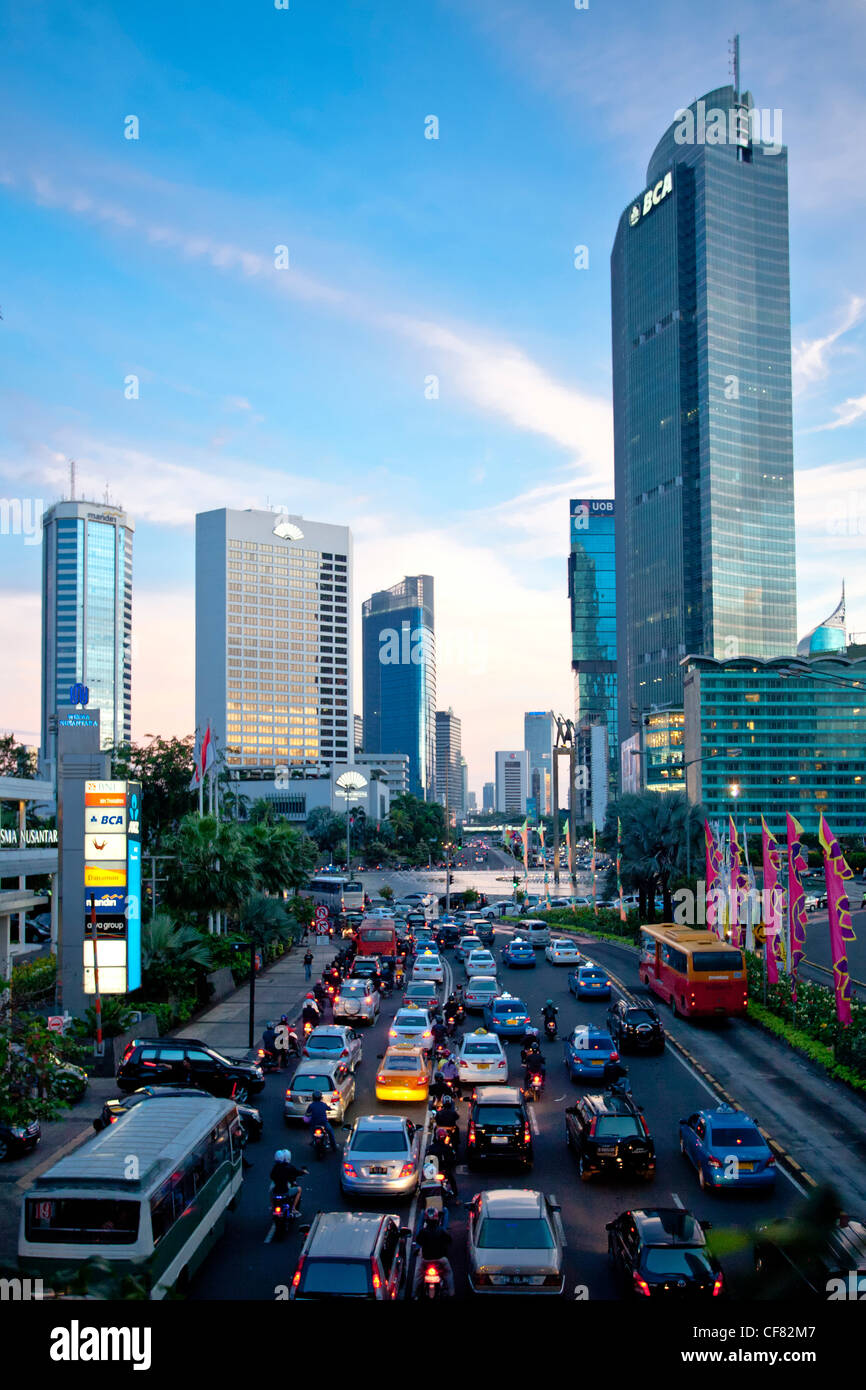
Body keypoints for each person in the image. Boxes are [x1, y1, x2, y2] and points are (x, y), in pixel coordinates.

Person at [412, 1207, 455, 1298]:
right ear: (437, 1219)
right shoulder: (442, 1230)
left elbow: (419, 1241)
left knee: (418, 1274)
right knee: (448, 1273)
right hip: (441, 1260)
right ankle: (451, 1292)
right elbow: (449, 1240)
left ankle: (414, 1294)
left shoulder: (423, 1231)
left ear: (426, 1220)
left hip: (425, 1260)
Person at [269, 1148, 308, 1216]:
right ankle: (293, 1208)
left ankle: (272, 1207)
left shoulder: (274, 1168)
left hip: (275, 1192)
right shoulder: (287, 1168)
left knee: (270, 1191)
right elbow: (295, 1173)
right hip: (285, 1192)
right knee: (299, 1189)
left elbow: (272, 1176)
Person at [427, 1127, 460, 1200]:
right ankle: (455, 1196)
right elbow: (453, 1158)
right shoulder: (448, 1148)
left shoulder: (431, 1148)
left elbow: (428, 1159)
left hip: (435, 1170)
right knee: (452, 1180)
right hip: (445, 1170)